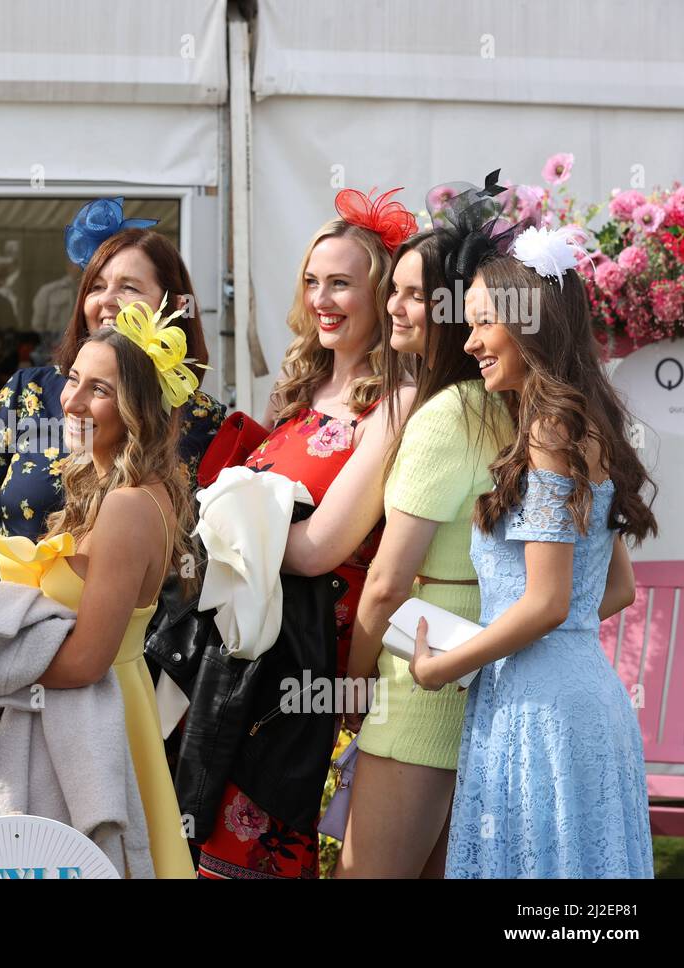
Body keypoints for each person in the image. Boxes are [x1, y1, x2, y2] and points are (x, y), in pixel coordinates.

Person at [0, 309, 201, 877]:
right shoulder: (111, 490)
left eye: (99, 390)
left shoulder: (125, 506)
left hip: (91, 729)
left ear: (137, 408)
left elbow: (87, 660)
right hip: (86, 717)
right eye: (73, 378)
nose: (71, 401)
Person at [410, 234, 656, 878]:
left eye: (484, 322)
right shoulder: (586, 422)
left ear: (531, 321)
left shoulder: (550, 429)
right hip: (576, 698)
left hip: (541, 710)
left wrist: (444, 667)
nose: (468, 343)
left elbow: (547, 603)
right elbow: (614, 587)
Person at [195, 188, 417, 879]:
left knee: (271, 847)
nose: (322, 299)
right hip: (251, 657)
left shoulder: (397, 401)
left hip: (323, 668)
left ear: (382, 296)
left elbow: (322, 545)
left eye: (342, 283)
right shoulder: (301, 386)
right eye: (312, 282)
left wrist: (219, 525)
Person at [0, 200, 225, 661]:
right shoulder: (27, 393)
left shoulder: (203, 422)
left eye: (128, 287)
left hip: (115, 669)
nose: (106, 300)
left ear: (171, 307)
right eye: (96, 286)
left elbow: (197, 572)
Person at [339, 176, 516, 878]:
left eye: (415, 294)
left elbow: (384, 586)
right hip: (483, 672)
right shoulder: (502, 401)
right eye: (395, 290)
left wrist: (350, 692)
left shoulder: (446, 417)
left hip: (420, 678)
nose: (394, 306)